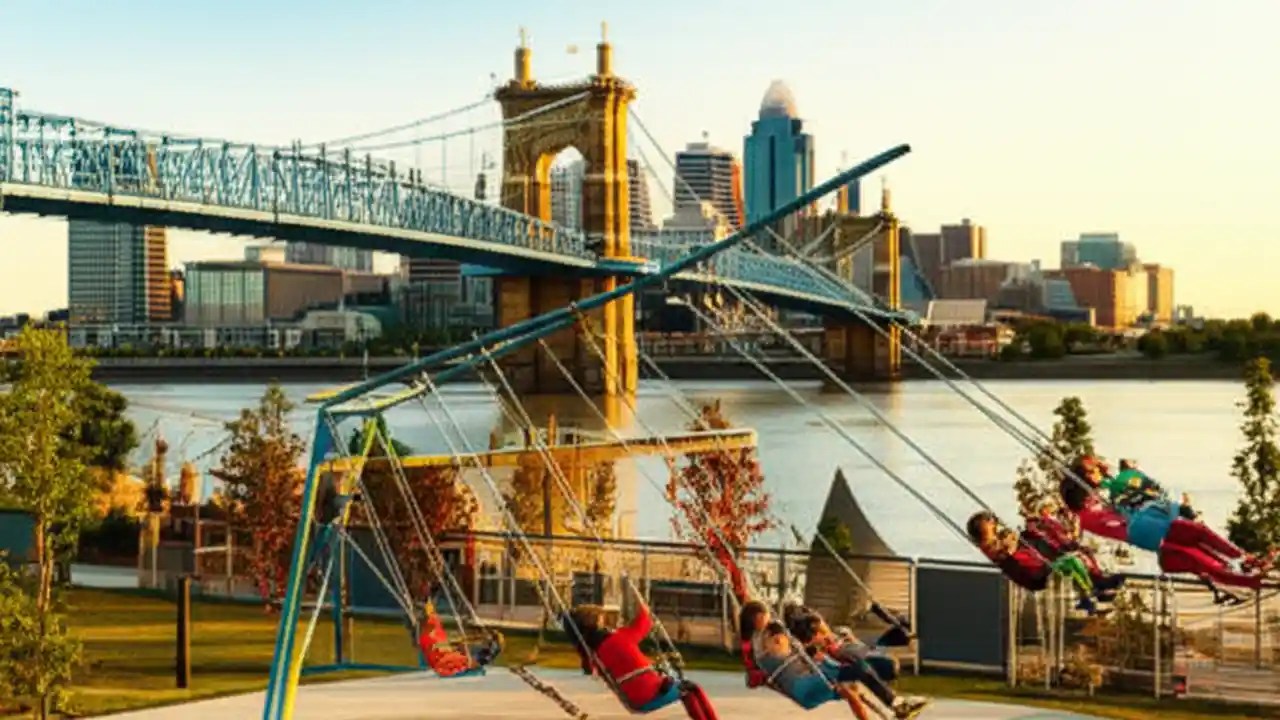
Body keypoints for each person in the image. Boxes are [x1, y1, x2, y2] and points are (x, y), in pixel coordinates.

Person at [1064, 456, 1276, 603]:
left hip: (1157, 528)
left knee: (1199, 533)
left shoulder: (1099, 499)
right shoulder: (1089, 515)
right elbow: (1120, 523)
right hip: (1153, 538)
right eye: (1093, 473)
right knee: (1196, 554)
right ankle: (1246, 579)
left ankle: (1246, 561)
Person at [563, 603, 720, 720]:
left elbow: (590, 669)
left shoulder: (591, 651)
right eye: (601, 619)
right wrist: (643, 608)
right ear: (595, 623)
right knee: (692, 690)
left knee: (686, 689)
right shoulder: (617, 638)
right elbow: (643, 626)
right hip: (647, 692)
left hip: (634, 698)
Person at [783, 604, 929, 719]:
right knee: (857, 682)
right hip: (837, 672)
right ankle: (896, 704)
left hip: (853, 659)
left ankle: (896, 705)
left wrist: (849, 639)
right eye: (818, 632)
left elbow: (846, 645)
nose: (824, 634)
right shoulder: (808, 649)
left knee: (880, 665)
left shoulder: (831, 638)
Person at [739, 600, 882, 719]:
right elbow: (779, 652)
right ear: (757, 619)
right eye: (765, 615)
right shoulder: (760, 642)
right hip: (802, 687)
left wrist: (801, 644)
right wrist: (785, 638)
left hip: (804, 684)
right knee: (848, 689)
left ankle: (879, 714)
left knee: (853, 689)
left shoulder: (765, 636)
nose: (769, 618)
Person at [967, 511, 1103, 614]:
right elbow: (1005, 554)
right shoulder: (989, 548)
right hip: (1036, 575)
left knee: (1075, 562)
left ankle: (1090, 590)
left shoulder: (999, 541)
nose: (996, 528)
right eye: (991, 526)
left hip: (1041, 566)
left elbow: (1017, 541)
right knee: (1072, 561)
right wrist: (1010, 544)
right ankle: (1090, 592)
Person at [1020, 502, 1125, 600]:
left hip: (1060, 554)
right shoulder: (1032, 537)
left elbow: (1060, 540)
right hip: (1053, 561)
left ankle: (1098, 578)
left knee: (1084, 553)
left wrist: (1073, 546)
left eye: (1034, 523)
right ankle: (1093, 585)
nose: (1033, 526)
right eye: (1031, 524)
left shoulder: (1045, 530)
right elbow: (1049, 550)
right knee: (1076, 559)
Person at [417, 604, 503, 677]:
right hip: (444, 662)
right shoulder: (428, 635)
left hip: (446, 657)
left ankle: (485, 655)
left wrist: (456, 648)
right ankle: (485, 656)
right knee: (465, 657)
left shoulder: (434, 629)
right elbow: (436, 652)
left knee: (464, 653)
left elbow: (441, 648)